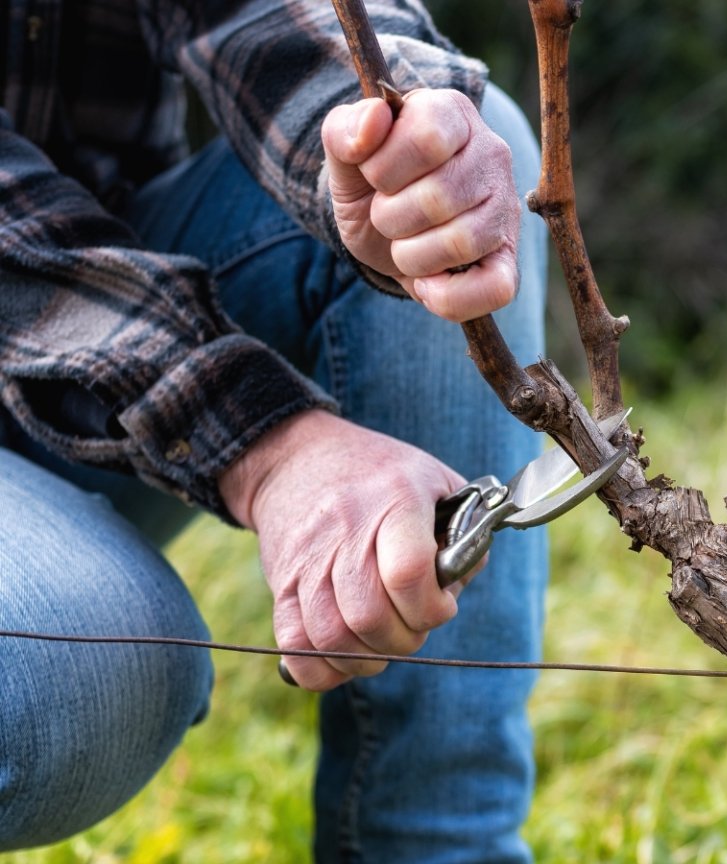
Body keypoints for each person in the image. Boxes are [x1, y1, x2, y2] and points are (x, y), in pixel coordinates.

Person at [0, 0, 551, 860]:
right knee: (96, 670)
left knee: (466, 152)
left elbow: (278, 16)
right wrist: (269, 445)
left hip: (91, 331)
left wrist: (399, 143)